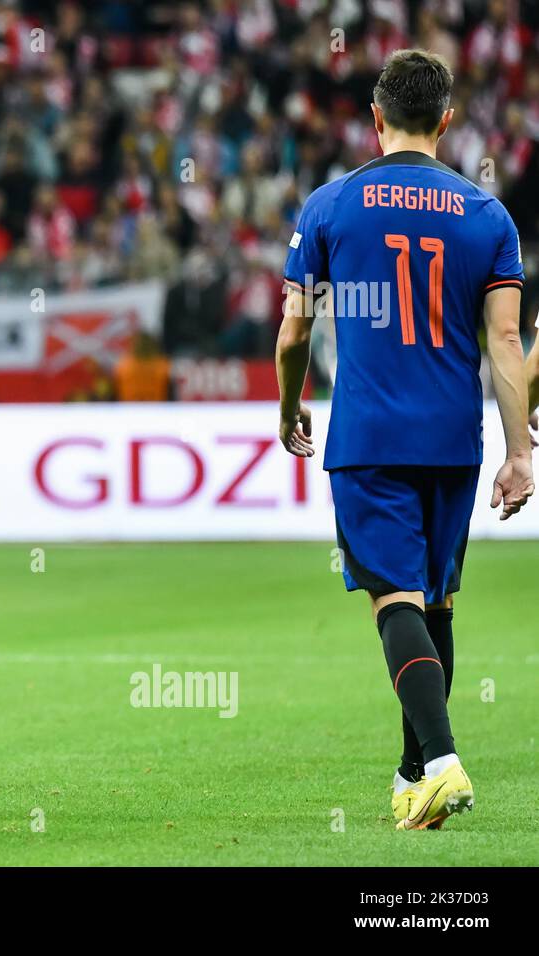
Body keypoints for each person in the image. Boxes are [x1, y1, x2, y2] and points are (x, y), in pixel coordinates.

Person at [275, 49, 532, 831]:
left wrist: (289, 404)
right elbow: (507, 345)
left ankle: (444, 761)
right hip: (454, 439)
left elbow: (294, 332)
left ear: (376, 119)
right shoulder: (488, 217)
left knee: (394, 601)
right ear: (447, 123)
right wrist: (522, 452)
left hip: (370, 437)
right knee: (436, 603)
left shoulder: (328, 207)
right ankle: (411, 775)